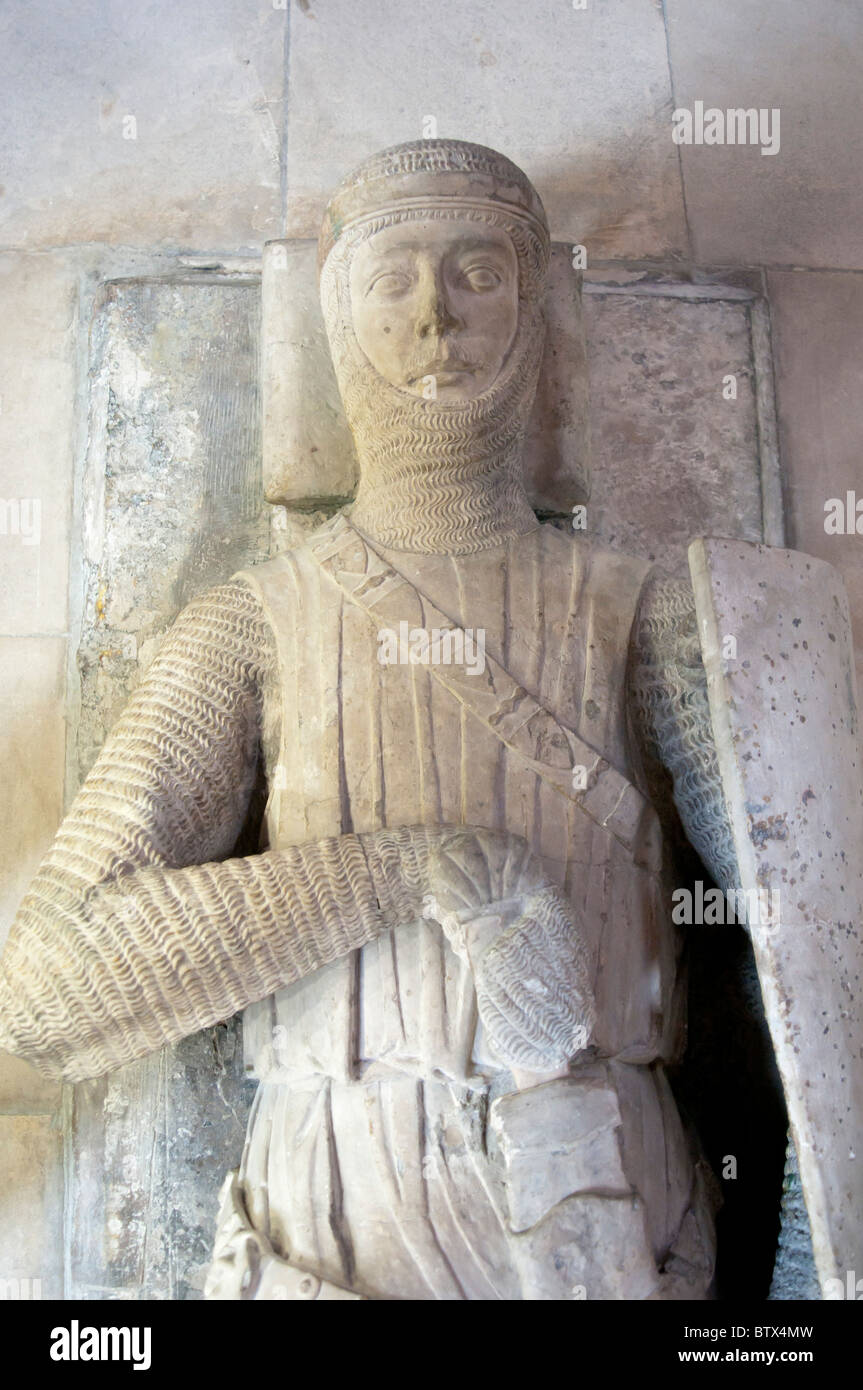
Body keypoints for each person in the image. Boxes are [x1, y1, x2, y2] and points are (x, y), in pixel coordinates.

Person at [0, 140, 738, 1300]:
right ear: (338, 322)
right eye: (389, 280)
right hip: (339, 1212)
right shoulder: (253, 623)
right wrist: (411, 872)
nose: (434, 317)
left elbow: (806, 956)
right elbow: (50, 980)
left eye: (478, 274)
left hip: (602, 1208)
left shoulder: (646, 615)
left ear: (535, 309)